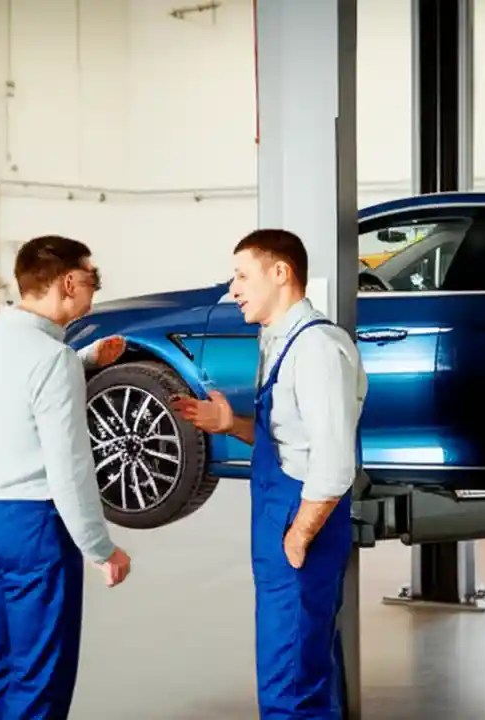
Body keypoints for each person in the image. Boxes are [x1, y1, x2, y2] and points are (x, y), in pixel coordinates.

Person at [170, 229, 366, 719]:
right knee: (300, 662)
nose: (232, 289)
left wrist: (298, 537)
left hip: (298, 526)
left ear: (281, 273)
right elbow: (290, 438)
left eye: (242, 275)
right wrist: (228, 425)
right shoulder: (276, 340)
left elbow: (334, 461)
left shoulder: (317, 348)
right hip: (281, 521)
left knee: (292, 680)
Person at [0, 235, 132, 720]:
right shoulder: (51, 361)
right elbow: (70, 472)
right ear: (70, 282)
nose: (93, 292)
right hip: (37, 527)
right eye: (93, 281)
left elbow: (16, 392)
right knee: (40, 677)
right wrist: (101, 550)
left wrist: (86, 360)